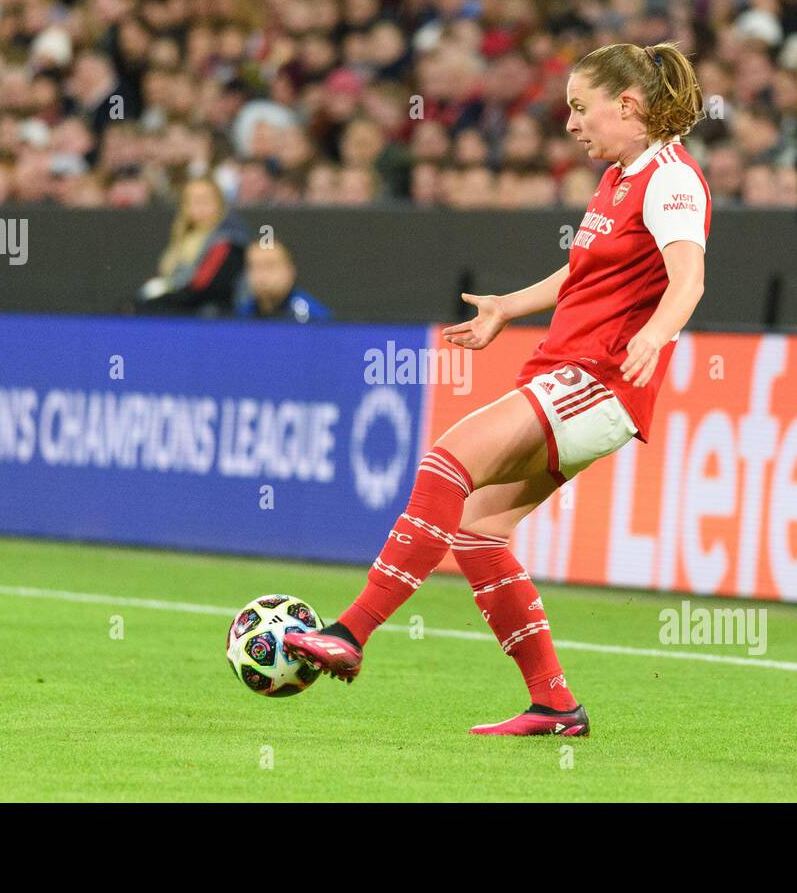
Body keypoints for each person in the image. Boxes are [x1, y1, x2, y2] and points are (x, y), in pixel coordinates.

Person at [285, 41, 711, 737]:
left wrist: (655, 334)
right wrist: (508, 307)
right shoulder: (619, 178)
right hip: (566, 372)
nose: (571, 123)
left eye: (580, 107)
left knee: (447, 458)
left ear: (627, 105)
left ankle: (352, 632)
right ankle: (555, 705)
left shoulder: (670, 179)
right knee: (479, 531)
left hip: (597, 379)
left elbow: (688, 277)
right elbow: (582, 271)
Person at [135, 176, 248, 315]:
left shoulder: (227, 241)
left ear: (219, 203)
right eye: (191, 200)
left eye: (205, 199)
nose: (198, 206)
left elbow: (201, 288)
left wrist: (158, 302)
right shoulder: (182, 239)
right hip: (183, 310)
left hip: (212, 317)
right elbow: (171, 280)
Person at [233, 240, 331, 322]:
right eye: (254, 266)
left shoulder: (313, 319)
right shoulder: (241, 316)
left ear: (289, 271)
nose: (262, 275)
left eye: (270, 266)